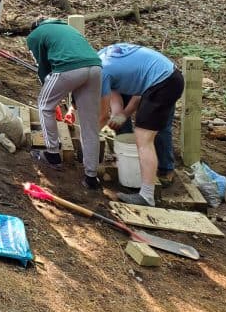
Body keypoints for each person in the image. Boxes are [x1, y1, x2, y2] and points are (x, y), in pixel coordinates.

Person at [97, 43, 184, 206]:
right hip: (168, 76)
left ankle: (146, 196)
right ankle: (149, 186)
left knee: (144, 139)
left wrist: (91, 137)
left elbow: (103, 116)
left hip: (163, 82)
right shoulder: (104, 59)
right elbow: (119, 92)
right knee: (145, 134)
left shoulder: (100, 72)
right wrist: (121, 114)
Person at [26, 18, 103, 189]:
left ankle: (52, 153)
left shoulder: (34, 35)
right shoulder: (67, 29)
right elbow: (79, 63)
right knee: (90, 124)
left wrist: (50, 95)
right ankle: (91, 176)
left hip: (69, 68)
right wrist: (70, 101)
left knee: (44, 106)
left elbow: (43, 67)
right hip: (96, 67)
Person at [112, 94, 175, 186]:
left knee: (159, 124)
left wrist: (124, 114)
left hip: (159, 87)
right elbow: (115, 95)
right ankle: (128, 162)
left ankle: (165, 168)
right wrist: (117, 115)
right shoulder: (108, 81)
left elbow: (138, 97)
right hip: (130, 87)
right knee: (121, 122)